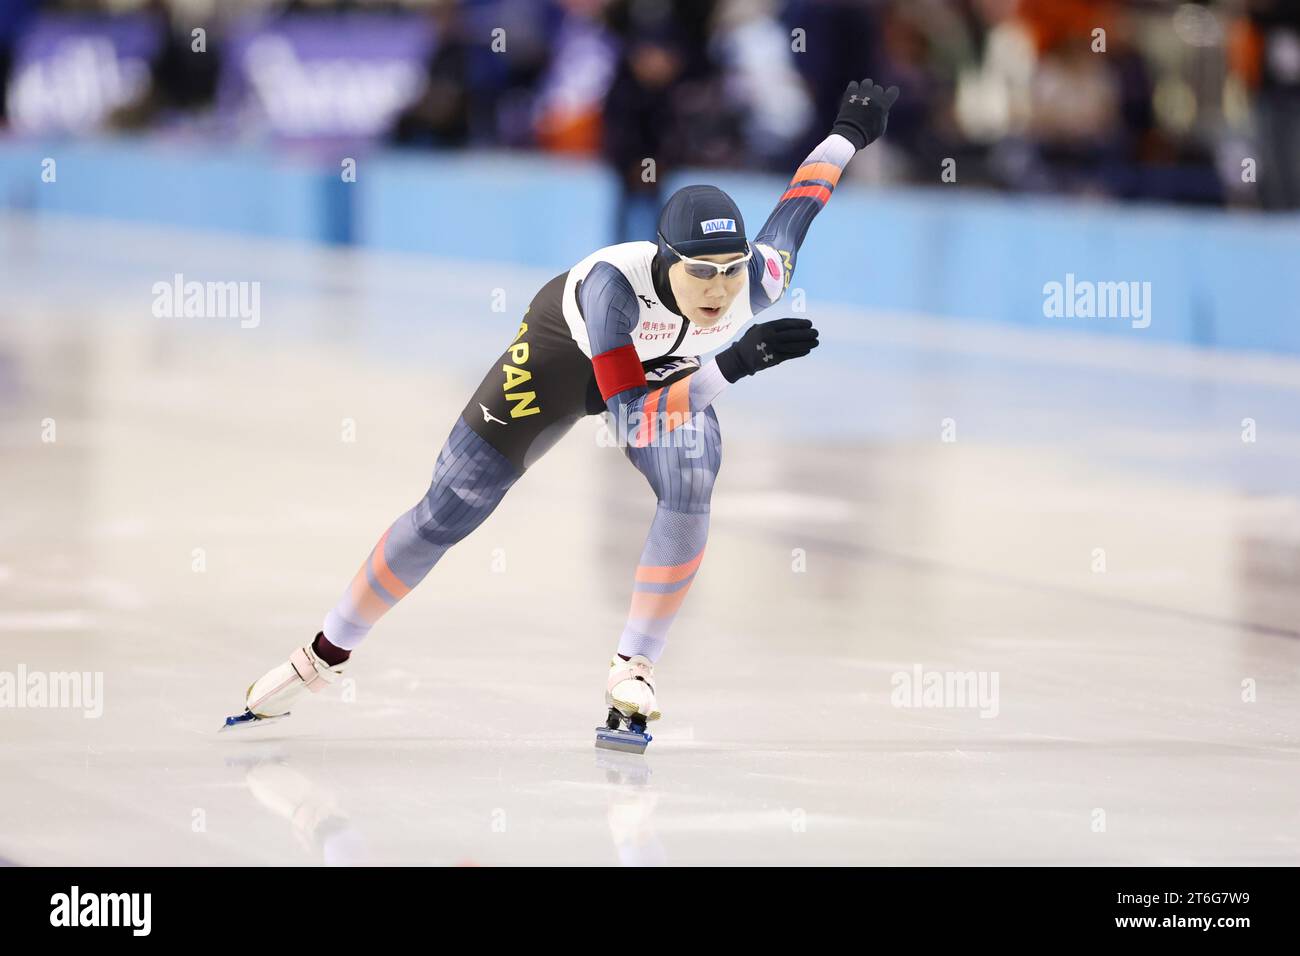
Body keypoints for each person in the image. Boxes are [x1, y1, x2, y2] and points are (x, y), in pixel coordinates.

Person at [225, 78, 900, 749]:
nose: (721, 292)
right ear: (666, 263)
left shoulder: (761, 277)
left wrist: (849, 131)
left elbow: (804, 197)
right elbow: (632, 422)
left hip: (660, 374)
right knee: (447, 513)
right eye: (702, 273)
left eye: (731, 270)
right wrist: (732, 365)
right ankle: (320, 656)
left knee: (692, 480)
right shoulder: (616, 292)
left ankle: (634, 665)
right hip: (562, 362)